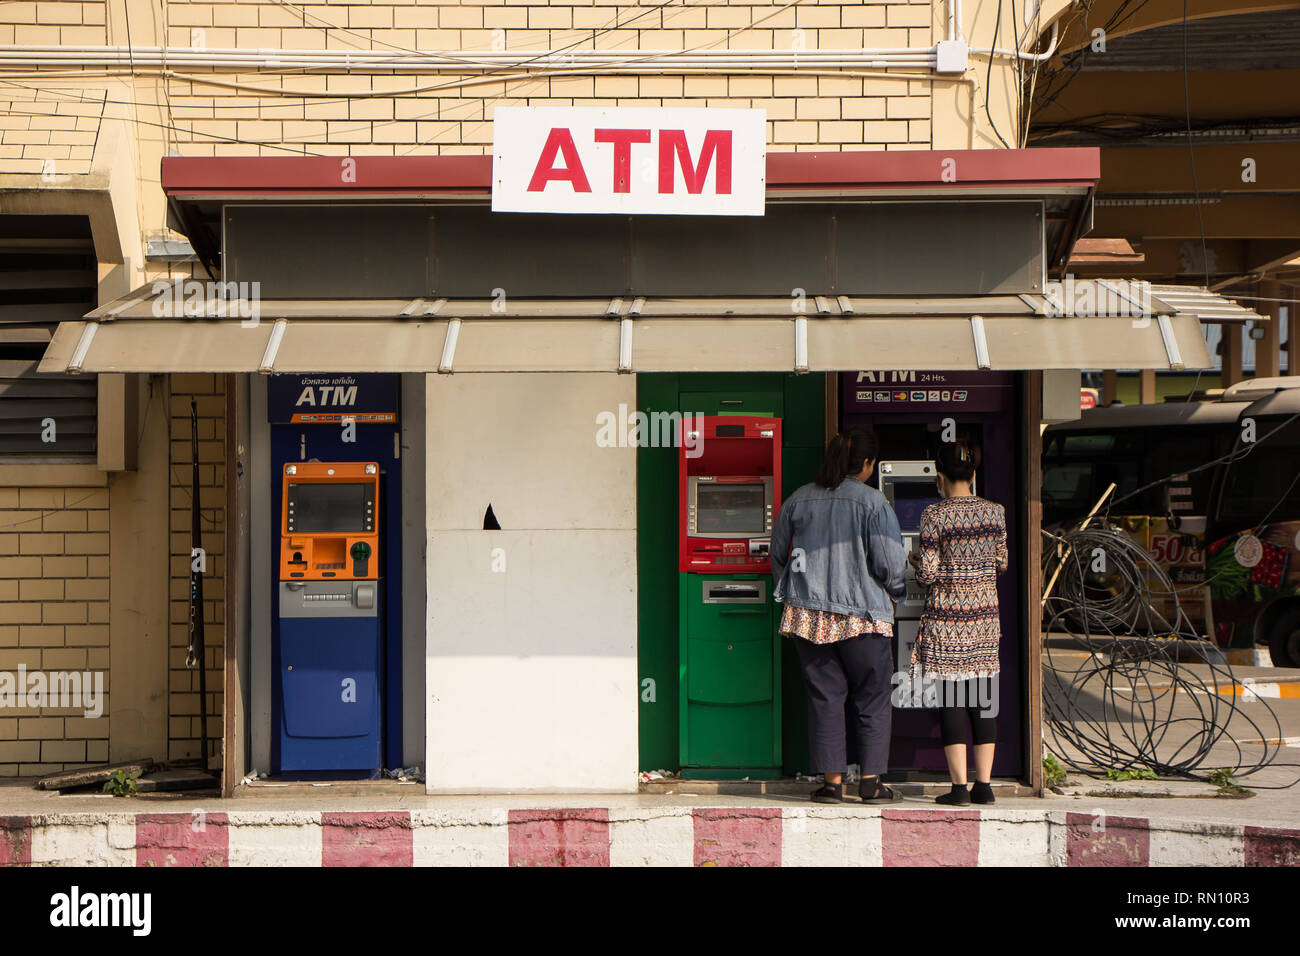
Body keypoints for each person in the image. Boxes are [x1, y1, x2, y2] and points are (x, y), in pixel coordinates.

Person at [770, 428, 908, 804]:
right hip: (864, 618)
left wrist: (799, 592)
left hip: (809, 620)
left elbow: (778, 555)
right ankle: (871, 782)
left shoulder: (799, 500)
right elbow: (891, 563)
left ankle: (832, 784)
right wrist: (896, 595)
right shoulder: (874, 502)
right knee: (873, 698)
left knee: (825, 699)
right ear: (866, 464)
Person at [908, 439, 1008, 806]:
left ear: (939, 475)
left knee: (952, 702)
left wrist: (917, 562)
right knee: (982, 702)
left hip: (947, 621)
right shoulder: (995, 513)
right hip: (983, 619)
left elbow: (929, 575)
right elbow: (1001, 563)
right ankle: (985, 786)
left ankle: (959, 789)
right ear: (974, 474)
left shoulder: (935, 516)